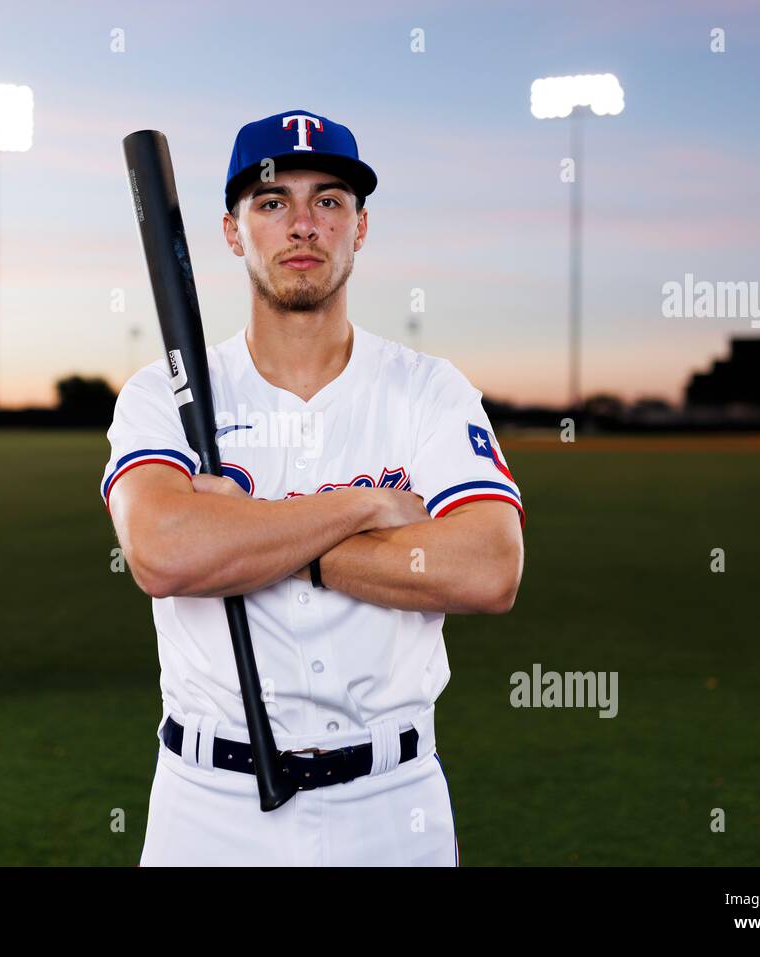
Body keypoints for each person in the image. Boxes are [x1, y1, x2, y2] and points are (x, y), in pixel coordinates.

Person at [101, 109, 524, 866]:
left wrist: (251, 541)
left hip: (392, 805)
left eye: (329, 201)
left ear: (360, 228)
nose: (303, 225)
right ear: (233, 232)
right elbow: (163, 554)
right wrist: (361, 508)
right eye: (272, 203)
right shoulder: (160, 393)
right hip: (209, 805)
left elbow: (488, 568)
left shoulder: (429, 389)